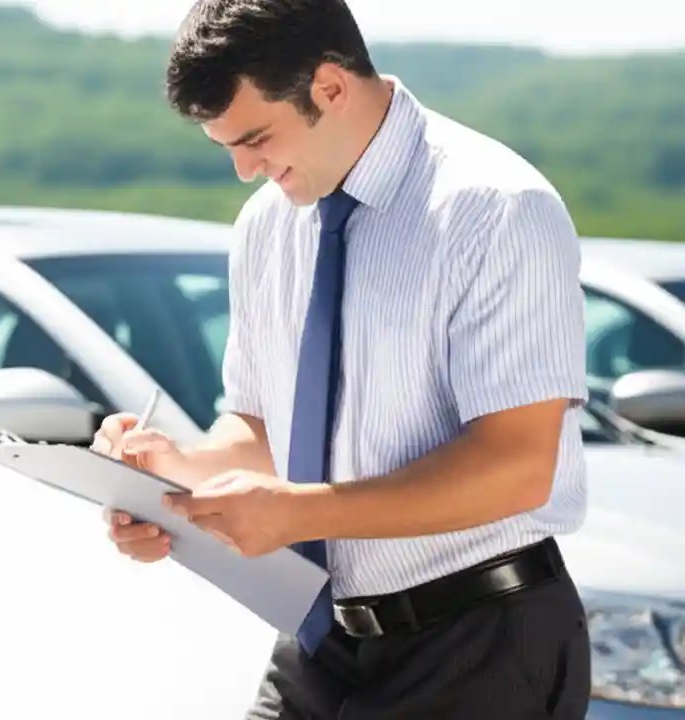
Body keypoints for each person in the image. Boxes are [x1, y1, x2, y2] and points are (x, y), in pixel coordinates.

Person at [92, 1, 591, 718]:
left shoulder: (496, 210)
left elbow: (517, 467)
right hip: (320, 638)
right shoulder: (266, 225)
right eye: (225, 146)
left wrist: (298, 515)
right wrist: (169, 477)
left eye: (256, 137)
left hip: (480, 643)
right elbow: (264, 431)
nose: (243, 170)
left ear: (329, 86)